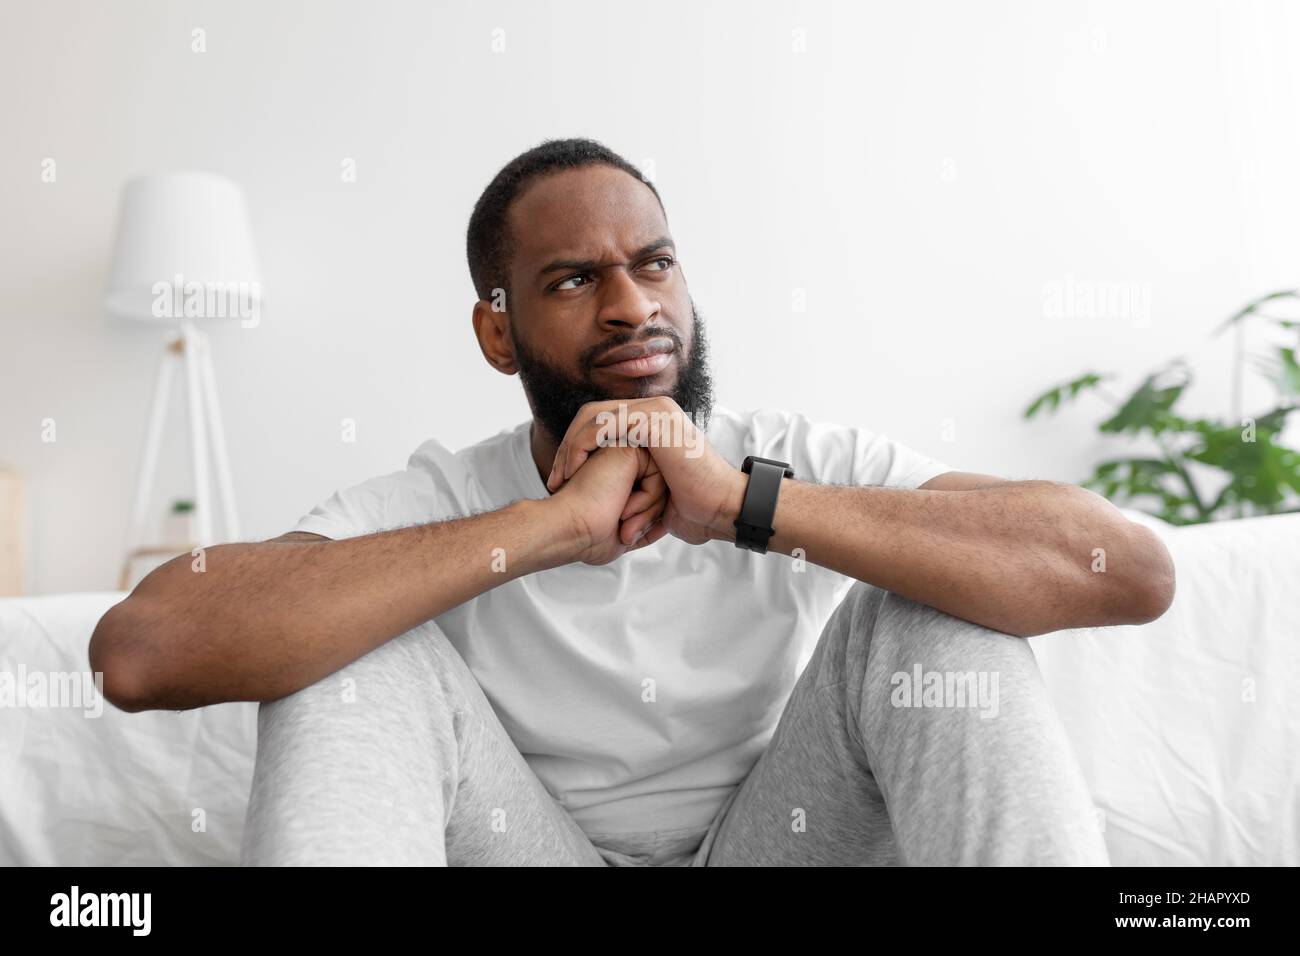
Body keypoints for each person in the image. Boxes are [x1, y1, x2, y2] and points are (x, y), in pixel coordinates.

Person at [89, 137, 1175, 867]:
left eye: (654, 265)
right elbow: (138, 652)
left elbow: (1128, 567)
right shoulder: (441, 496)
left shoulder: (796, 455)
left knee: (929, 603)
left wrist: (745, 503)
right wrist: (552, 526)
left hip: (775, 842)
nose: (632, 306)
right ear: (498, 331)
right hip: (533, 845)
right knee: (348, 643)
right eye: (573, 280)